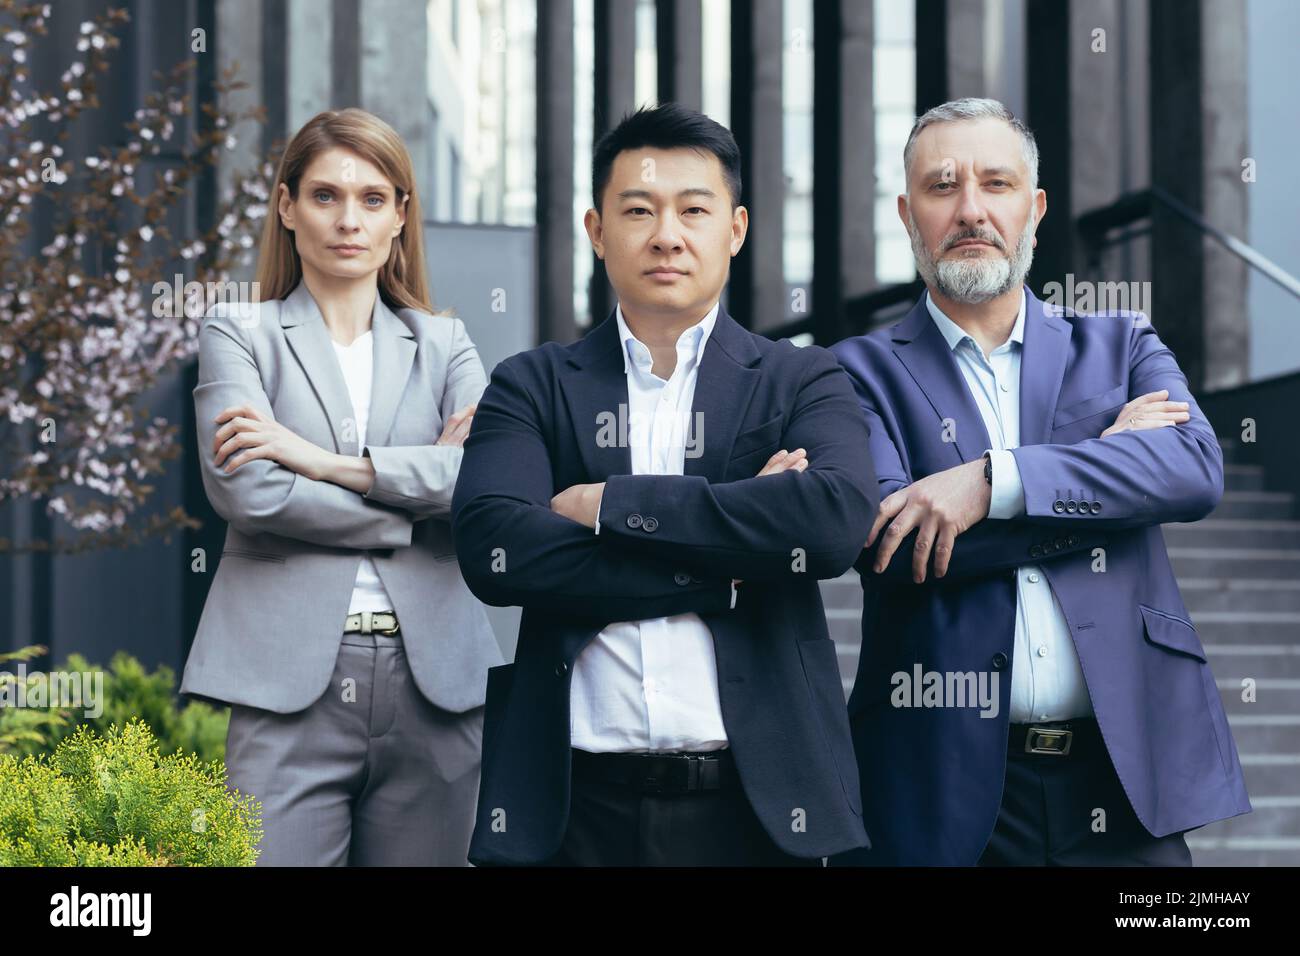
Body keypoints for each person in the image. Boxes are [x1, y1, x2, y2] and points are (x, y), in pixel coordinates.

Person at [451, 103, 878, 866]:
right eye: (639, 210)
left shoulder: (801, 377)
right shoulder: (532, 385)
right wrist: (729, 560)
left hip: (757, 809)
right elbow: (496, 552)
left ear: (736, 229)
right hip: (572, 806)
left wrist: (611, 505)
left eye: (693, 210)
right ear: (596, 230)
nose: (666, 235)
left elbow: (834, 522)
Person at [831, 97, 1251, 866]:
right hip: (940, 785)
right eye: (942, 187)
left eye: (997, 184)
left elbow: (1193, 470)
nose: (971, 210)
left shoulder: (1119, 340)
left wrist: (993, 482)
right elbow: (894, 545)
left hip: (1125, 779)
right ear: (905, 211)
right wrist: (1109, 484)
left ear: (1036, 208)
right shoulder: (853, 371)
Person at [181, 107, 504, 865]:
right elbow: (251, 493)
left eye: (371, 198)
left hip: (438, 687)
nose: (347, 219)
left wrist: (325, 462)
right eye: (325, 195)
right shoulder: (239, 333)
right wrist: (407, 509)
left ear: (400, 215)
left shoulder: (445, 341)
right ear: (288, 208)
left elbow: (482, 484)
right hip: (286, 687)